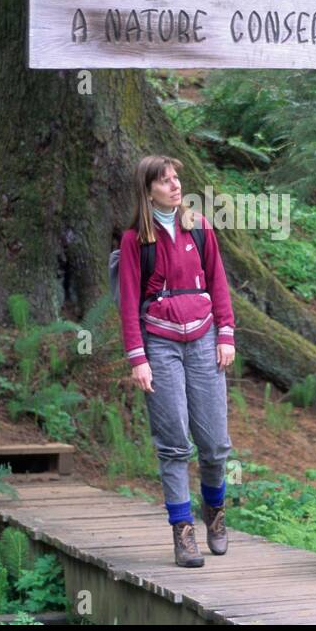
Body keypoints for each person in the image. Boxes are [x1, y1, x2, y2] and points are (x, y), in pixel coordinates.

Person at [118, 154, 236, 567]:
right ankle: (183, 532)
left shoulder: (200, 228)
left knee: (216, 445)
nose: (174, 185)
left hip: (204, 341)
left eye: (175, 179)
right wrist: (138, 358)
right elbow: (129, 300)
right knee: (172, 446)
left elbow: (218, 283)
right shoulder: (135, 239)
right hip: (160, 347)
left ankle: (215, 514)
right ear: (148, 189)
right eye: (164, 180)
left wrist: (226, 334)